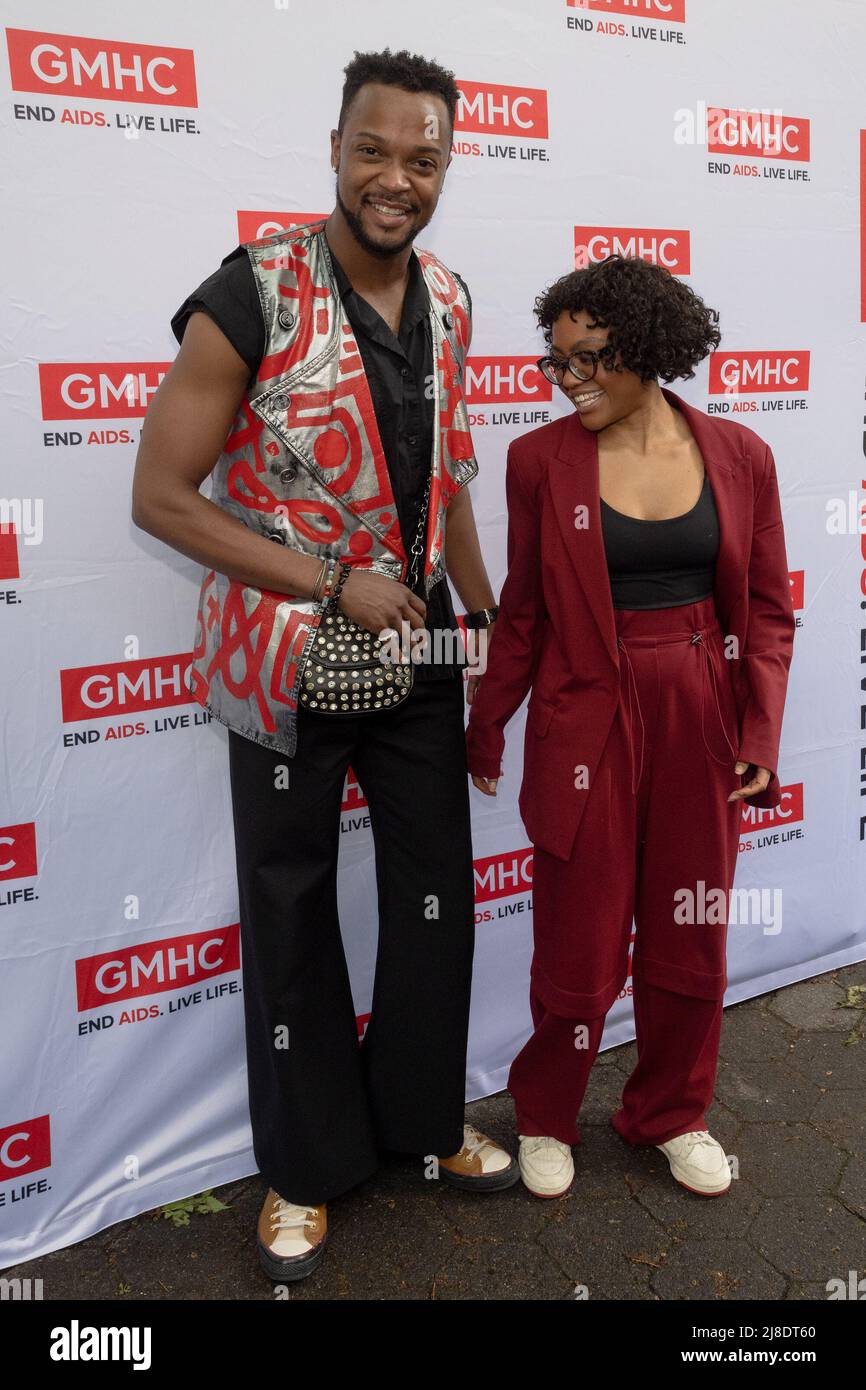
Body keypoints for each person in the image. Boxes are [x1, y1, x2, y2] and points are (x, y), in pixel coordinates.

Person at [132, 47, 517, 1284]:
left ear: (444, 165)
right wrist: (323, 581)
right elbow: (160, 497)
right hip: (284, 661)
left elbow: (448, 471)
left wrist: (486, 608)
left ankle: (418, 1123)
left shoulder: (451, 298)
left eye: (422, 158)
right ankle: (302, 1169)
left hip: (415, 652)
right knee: (292, 908)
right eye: (374, 149)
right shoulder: (249, 294)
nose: (395, 178)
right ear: (336, 148)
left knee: (432, 898)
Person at [465, 254, 795, 1200]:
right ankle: (544, 1114)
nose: (571, 381)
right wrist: (487, 727)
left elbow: (766, 613)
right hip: (587, 723)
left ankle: (670, 1112)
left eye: (592, 359)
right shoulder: (540, 461)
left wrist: (761, 736)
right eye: (555, 361)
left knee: (693, 934)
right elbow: (523, 614)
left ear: (649, 350)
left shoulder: (740, 455)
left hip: (701, 709)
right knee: (580, 940)